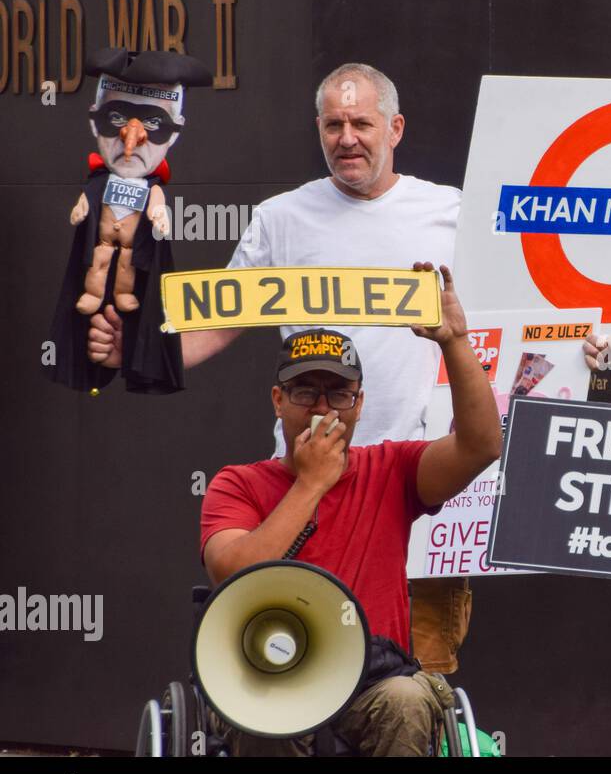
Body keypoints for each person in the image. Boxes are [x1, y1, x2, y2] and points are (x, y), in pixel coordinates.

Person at [89, 63, 472, 675]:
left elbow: (517, 320)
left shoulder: (454, 213)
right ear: (318, 130)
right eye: (333, 124)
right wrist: (129, 352)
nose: (347, 137)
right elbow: (218, 323)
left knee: (415, 684)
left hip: (417, 489)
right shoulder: (281, 217)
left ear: (395, 128)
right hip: (304, 488)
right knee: (292, 681)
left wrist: (585, 345)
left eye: (362, 123)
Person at [199, 265, 501, 756]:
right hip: (269, 670)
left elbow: (482, 446)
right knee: (259, 717)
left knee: (408, 698)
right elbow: (233, 574)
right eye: (305, 392)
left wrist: (455, 343)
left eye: (338, 393)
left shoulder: (392, 467)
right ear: (278, 400)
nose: (323, 408)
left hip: (372, 677)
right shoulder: (239, 483)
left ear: (359, 403)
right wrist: (313, 483)